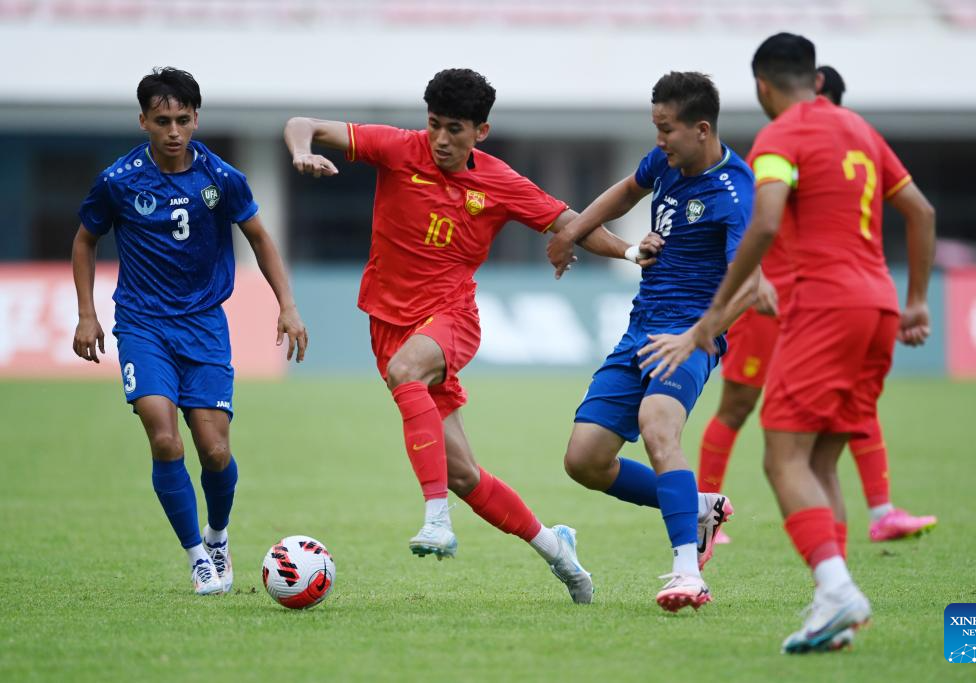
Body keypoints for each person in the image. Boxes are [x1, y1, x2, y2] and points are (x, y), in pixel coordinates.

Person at [283, 68, 647, 604]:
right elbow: (302, 123)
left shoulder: (499, 181)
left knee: (406, 371)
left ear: (482, 131)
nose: (442, 140)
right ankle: (557, 549)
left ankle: (435, 520)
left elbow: (570, 222)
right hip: (386, 322)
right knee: (462, 473)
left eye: (455, 129)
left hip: (450, 317)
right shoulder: (398, 149)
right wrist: (299, 152)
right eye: (434, 126)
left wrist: (631, 253)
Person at [689, 34, 936, 652]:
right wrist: (918, 300)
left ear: (762, 87)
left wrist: (721, 304)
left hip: (824, 308)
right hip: (878, 306)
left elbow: (767, 219)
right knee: (822, 459)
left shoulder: (780, 136)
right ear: (816, 80)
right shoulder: (859, 129)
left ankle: (836, 590)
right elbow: (922, 212)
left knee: (782, 457)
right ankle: (836, 605)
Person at [72, 67, 308, 595]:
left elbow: (261, 239)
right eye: (162, 120)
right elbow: (85, 240)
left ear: (196, 118)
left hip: (204, 325)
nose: (174, 130)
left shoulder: (221, 178)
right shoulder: (118, 180)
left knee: (216, 451)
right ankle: (197, 556)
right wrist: (87, 314)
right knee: (162, 435)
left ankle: (218, 535)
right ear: (144, 121)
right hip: (142, 324)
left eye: (182, 119)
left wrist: (287, 305)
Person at [546, 71, 759, 613]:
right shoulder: (665, 162)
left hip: (689, 334)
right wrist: (570, 233)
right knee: (585, 460)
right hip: (640, 328)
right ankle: (700, 508)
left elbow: (749, 285)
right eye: (655, 128)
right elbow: (623, 194)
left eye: (666, 129)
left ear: (702, 129)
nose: (659, 140)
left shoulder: (736, 192)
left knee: (658, 426)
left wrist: (697, 336)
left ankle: (688, 571)